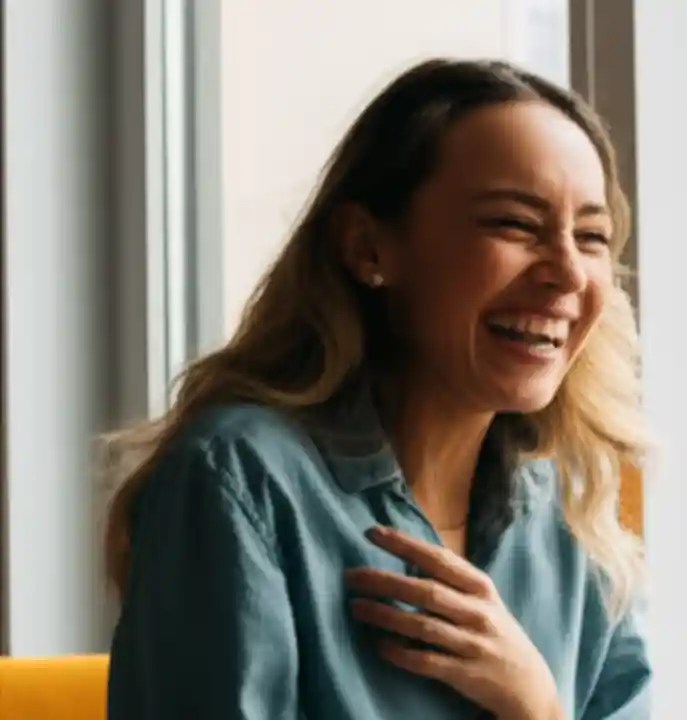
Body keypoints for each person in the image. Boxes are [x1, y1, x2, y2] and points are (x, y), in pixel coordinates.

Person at [102, 58, 651, 720]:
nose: (568, 272)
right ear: (367, 248)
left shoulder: (572, 510)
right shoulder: (239, 479)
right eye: (513, 224)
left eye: (591, 237)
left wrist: (535, 706)